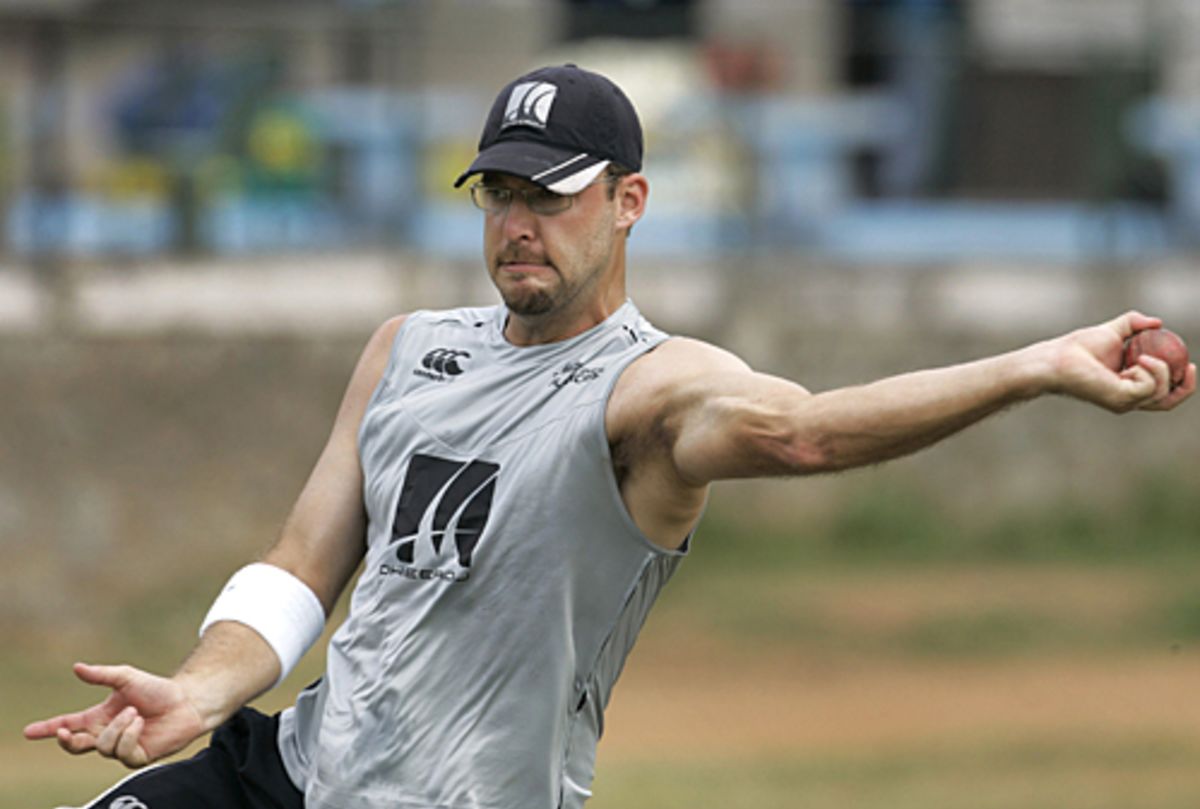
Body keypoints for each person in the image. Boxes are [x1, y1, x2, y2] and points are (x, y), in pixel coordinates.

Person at [25, 63, 1195, 809]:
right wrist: (199, 688)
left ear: (629, 201)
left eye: (552, 194)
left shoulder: (649, 388)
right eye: (500, 194)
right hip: (284, 773)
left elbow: (805, 434)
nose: (519, 224)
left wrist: (1039, 365)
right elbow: (299, 569)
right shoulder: (403, 347)